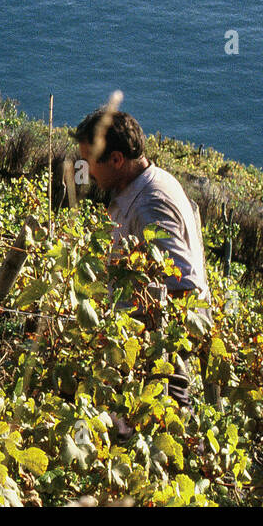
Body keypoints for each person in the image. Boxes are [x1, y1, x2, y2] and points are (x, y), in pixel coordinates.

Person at [74, 108, 209, 411]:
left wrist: (142, 341)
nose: (85, 168)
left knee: (167, 423)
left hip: (160, 348)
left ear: (117, 159)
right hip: (141, 344)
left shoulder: (151, 204)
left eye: (90, 160)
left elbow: (181, 286)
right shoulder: (136, 187)